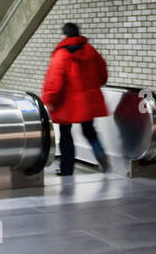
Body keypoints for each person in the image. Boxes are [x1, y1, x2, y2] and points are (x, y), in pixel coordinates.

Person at [40, 22, 110, 176]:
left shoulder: (62, 53)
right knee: (89, 130)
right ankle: (100, 154)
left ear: (65, 35)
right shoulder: (90, 50)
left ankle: (67, 168)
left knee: (65, 133)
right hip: (88, 99)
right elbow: (102, 72)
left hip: (68, 102)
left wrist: (49, 99)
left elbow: (55, 80)